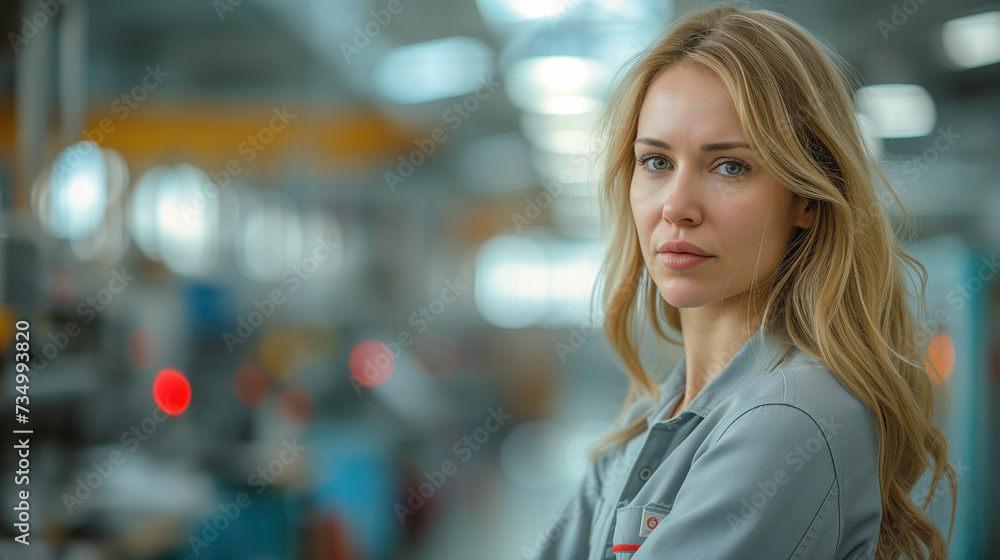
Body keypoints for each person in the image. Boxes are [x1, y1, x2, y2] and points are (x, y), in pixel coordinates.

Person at [523, 3, 958, 560]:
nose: (676, 206)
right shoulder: (654, 416)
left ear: (806, 196)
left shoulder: (789, 419)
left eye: (730, 166)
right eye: (656, 162)